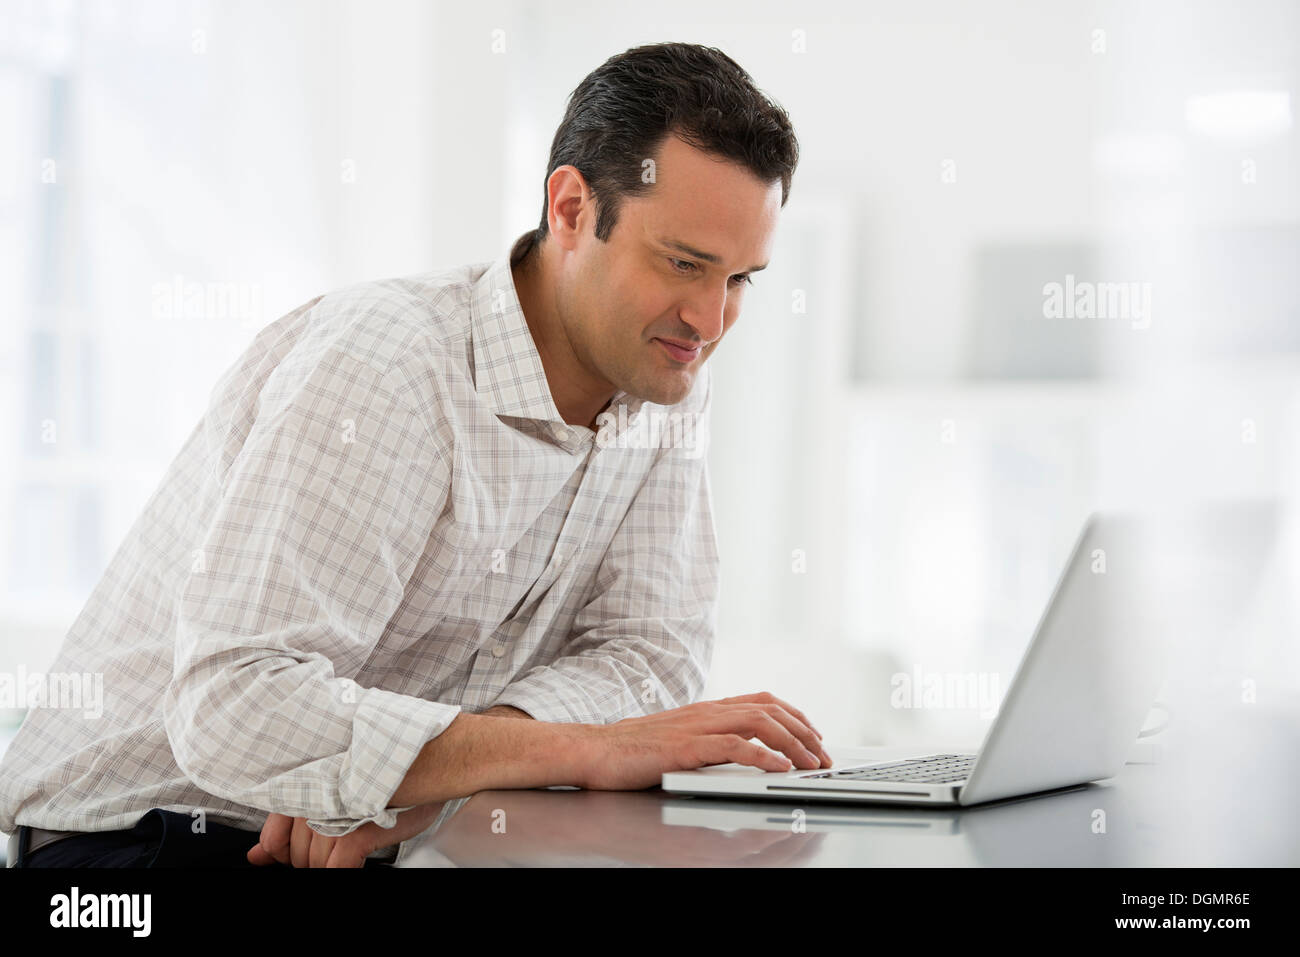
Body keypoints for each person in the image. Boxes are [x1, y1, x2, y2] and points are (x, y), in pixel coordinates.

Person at [1, 41, 829, 870]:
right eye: (683, 263)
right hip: (137, 844)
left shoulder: (660, 374)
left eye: (741, 279)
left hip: (352, 838)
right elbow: (234, 704)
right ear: (572, 209)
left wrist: (426, 776)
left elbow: (651, 653)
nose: (710, 320)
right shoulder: (387, 364)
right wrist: (583, 748)